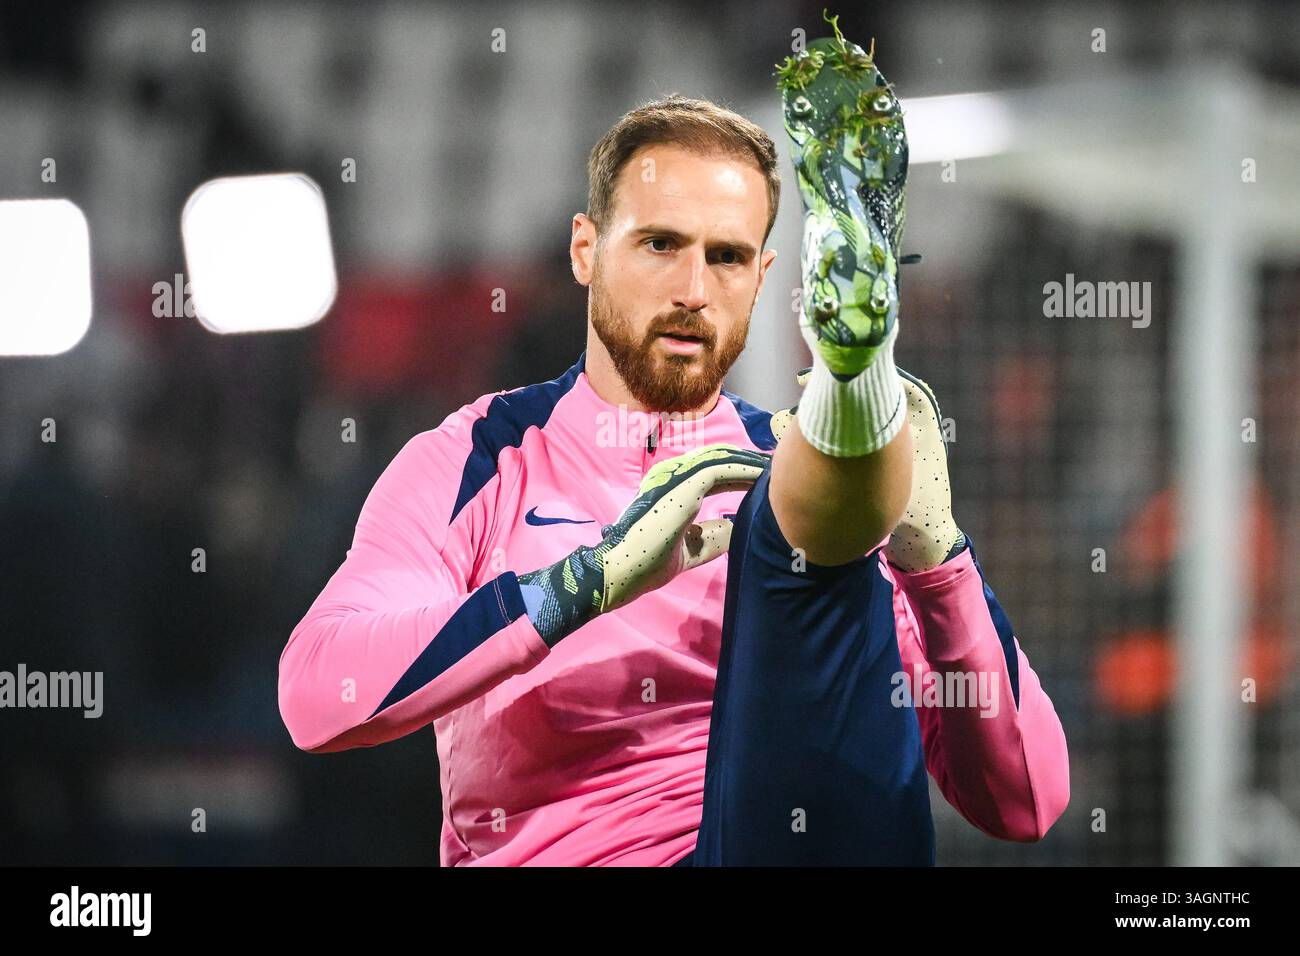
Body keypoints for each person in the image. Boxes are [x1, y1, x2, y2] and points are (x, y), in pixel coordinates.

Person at [278, 23, 1069, 866]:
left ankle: (858, 375)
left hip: (772, 841)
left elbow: (1026, 800)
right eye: (661, 245)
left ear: (766, 281)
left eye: (727, 259)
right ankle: (858, 394)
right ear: (586, 251)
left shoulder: (789, 470)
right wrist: (580, 586)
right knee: (801, 531)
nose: (695, 291)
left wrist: (937, 560)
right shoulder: (479, 456)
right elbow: (318, 696)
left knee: (802, 548)